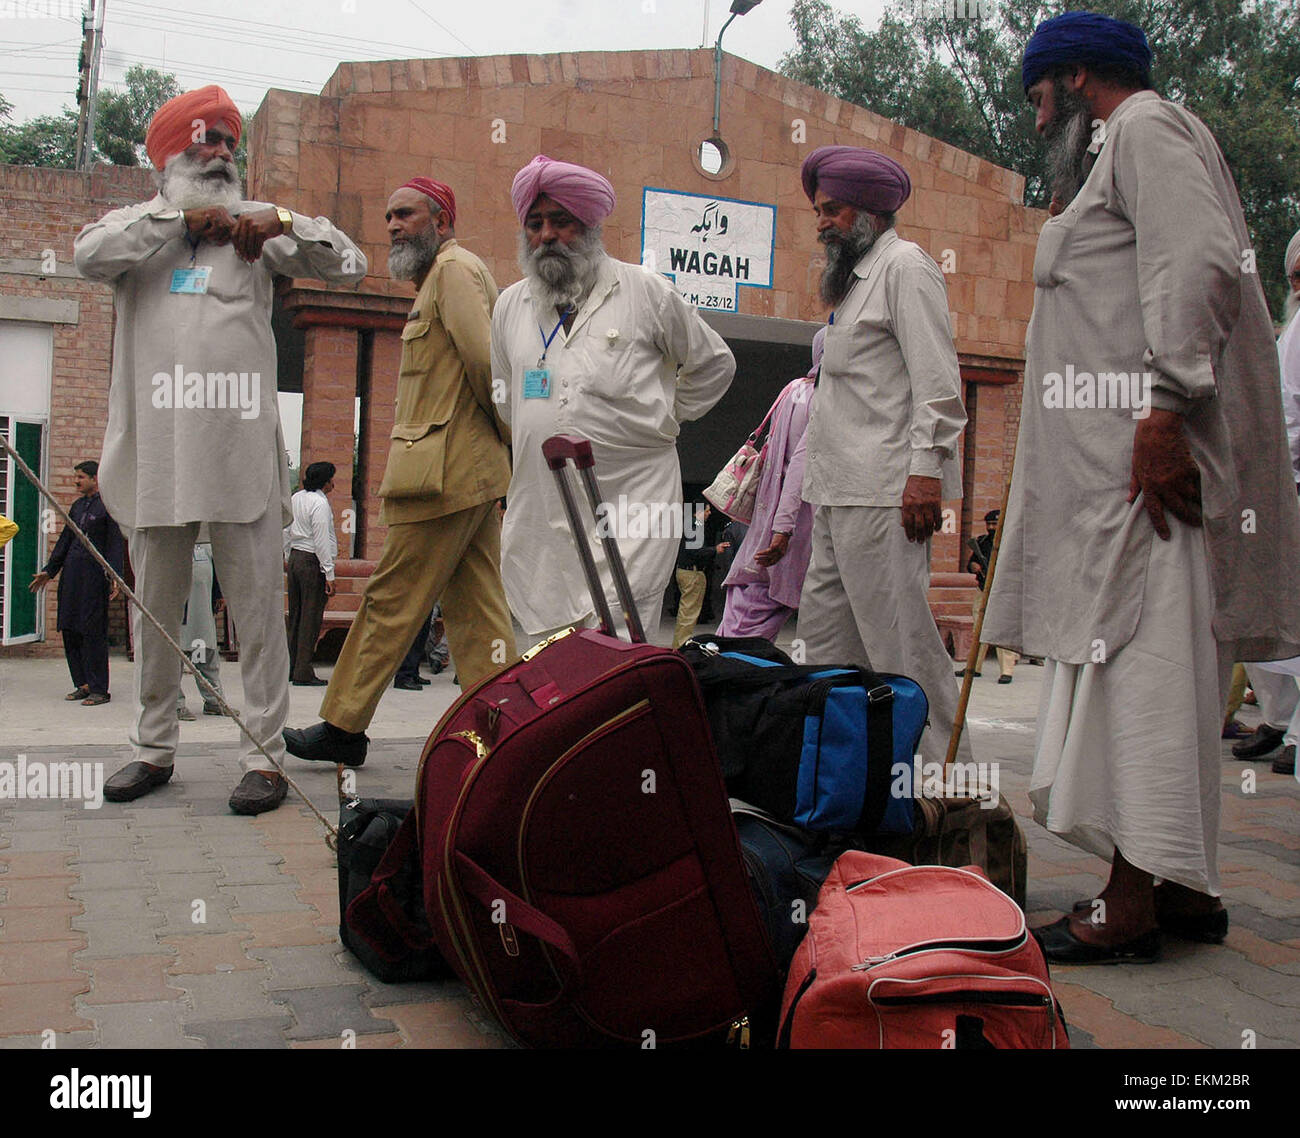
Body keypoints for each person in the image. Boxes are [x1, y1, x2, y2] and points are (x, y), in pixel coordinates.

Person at [982, 12, 1300, 963]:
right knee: (1141, 673)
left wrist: (1162, 412)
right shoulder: (1129, 149)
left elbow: (1198, 263)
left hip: (1145, 481)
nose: (1038, 123)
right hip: (1110, 487)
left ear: (1077, 78)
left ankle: (1131, 901)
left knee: (1143, 681)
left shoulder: (1148, 130)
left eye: (1040, 97)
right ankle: (1182, 888)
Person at [74, 85, 367, 814]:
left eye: (229, 143)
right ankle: (152, 749)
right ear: (171, 155)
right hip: (159, 456)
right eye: (204, 140)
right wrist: (177, 217)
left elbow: (351, 264)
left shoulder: (258, 230)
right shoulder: (140, 230)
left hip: (239, 458)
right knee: (155, 612)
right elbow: (85, 254)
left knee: (260, 614)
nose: (220, 153)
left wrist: (284, 219)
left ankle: (265, 759)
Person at [284, 177, 515, 768]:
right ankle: (508, 731)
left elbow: (489, 366)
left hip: (447, 475)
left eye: (406, 215)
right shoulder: (440, 277)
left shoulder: (455, 272)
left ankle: (344, 724)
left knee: (389, 599)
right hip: (461, 473)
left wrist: (510, 446)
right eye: (388, 216)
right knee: (477, 609)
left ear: (441, 219)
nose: (393, 225)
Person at [492, 155, 735, 644]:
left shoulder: (646, 292)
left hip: (633, 501)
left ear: (590, 224)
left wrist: (667, 419)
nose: (546, 235)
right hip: (544, 506)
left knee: (622, 641)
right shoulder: (509, 305)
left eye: (561, 221)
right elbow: (505, 398)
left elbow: (714, 364)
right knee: (551, 645)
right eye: (535, 224)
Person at [795, 145, 971, 770]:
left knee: (904, 650)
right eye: (819, 211)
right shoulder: (853, 284)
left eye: (833, 210)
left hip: (886, 493)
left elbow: (939, 385)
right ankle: (853, 783)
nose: (821, 223)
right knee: (827, 651)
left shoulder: (906, 268)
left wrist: (925, 473)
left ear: (869, 212)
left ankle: (949, 787)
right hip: (836, 494)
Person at [718, 329, 823, 641]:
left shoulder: (792, 390)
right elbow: (799, 466)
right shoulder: (825, 397)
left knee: (741, 615)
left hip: (766, 524)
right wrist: (784, 530)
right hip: (793, 528)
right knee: (754, 623)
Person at [29, 460, 124, 707]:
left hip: (94, 578)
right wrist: (49, 571)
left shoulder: (108, 507)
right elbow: (65, 541)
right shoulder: (77, 506)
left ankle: (99, 689)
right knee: (69, 628)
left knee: (92, 632)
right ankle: (81, 683)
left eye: (81, 477)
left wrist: (115, 576)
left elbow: (115, 543)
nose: (76, 481)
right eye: (76, 477)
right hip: (72, 576)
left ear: (94, 479)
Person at [284, 460, 338, 686]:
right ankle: (303, 670)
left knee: (295, 615)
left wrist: (287, 556)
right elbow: (321, 539)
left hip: (296, 557)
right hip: (311, 561)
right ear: (325, 482)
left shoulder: (296, 499)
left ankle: (291, 665)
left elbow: (286, 529)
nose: (333, 483)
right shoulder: (319, 504)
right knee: (310, 617)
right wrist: (329, 573)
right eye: (331, 479)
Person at [957, 509, 1017, 684]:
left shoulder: (1009, 543)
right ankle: (974, 667)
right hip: (983, 590)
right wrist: (974, 566)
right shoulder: (982, 542)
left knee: (1002, 629)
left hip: (1003, 591)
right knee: (978, 629)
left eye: (994, 524)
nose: (991, 528)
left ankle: (1007, 671)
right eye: (989, 524)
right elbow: (971, 563)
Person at [176, 542, 229, 720]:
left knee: (205, 655)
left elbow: (216, 568)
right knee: (174, 658)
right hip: (179, 616)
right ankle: (175, 704)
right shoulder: (171, 543)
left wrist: (218, 594)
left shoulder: (206, 543)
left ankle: (214, 701)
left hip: (202, 615)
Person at [671, 504, 730, 650]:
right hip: (692, 573)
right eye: (707, 510)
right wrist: (714, 549)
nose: (709, 513)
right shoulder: (694, 525)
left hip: (690, 571)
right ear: (699, 511)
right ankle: (681, 647)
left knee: (688, 612)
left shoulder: (692, 524)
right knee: (689, 613)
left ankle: (679, 645)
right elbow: (695, 550)